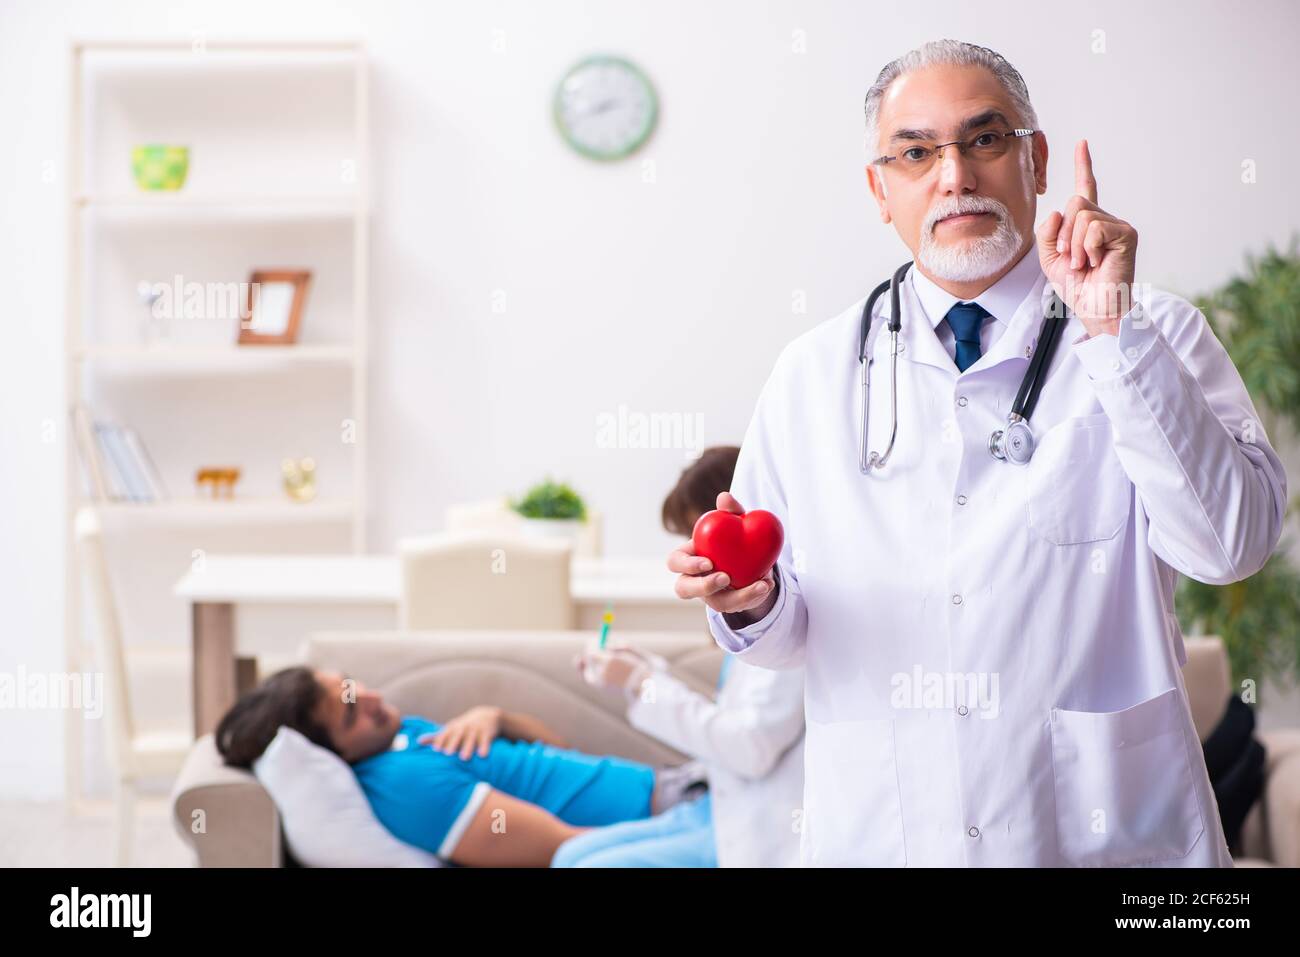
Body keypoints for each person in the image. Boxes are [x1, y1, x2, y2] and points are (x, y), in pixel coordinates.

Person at [667, 40, 1286, 867]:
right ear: (880, 190)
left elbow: (1229, 547)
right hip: (885, 835)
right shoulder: (810, 375)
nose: (953, 174)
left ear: (1034, 163)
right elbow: (785, 641)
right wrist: (750, 600)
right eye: (916, 152)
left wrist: (1110, 331)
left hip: (1108, 841)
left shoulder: (1156, 332)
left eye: (984, 140)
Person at [558, 446, 805, 867]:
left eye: (700, 534)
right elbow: (732, 715)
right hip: (717, 805)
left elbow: (750, 746)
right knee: (569, 854)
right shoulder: (743, 618)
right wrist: (643, 669)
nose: (695, 554)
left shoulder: (785, 613)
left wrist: (641, 683)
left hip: (758, 826)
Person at [215, 667, 705, 867]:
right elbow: (563, 846)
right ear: (337, 755)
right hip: (666, 815)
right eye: (351, 712)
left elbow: (561, 750)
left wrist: (497, 718)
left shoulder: (403, 736)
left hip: (672, 787)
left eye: (352, 685)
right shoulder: (404, 786)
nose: (371, 698)